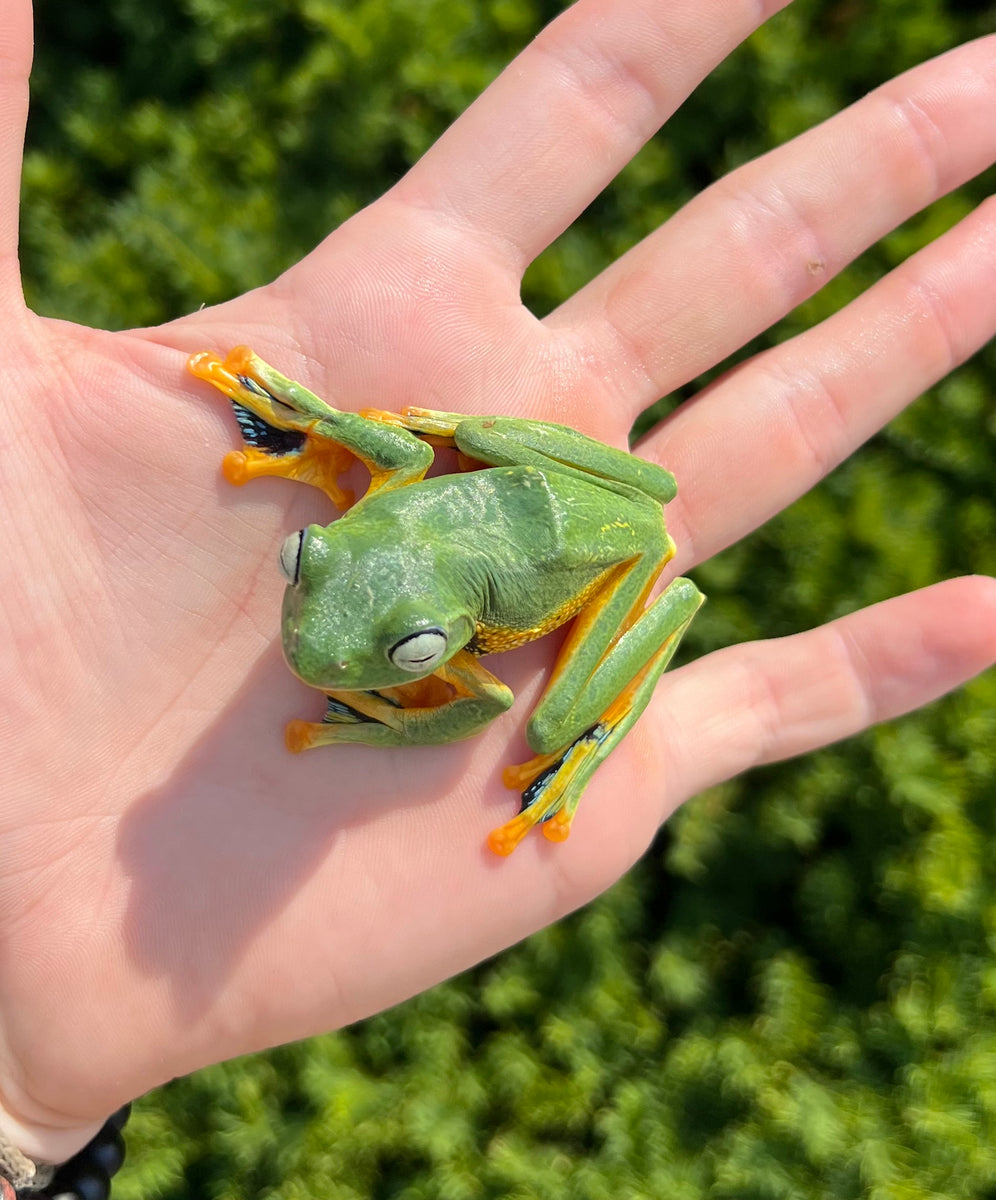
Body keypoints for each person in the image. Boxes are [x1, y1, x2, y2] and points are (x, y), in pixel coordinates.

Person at [1, 0, 994, 1183]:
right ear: (340, 535)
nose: (313, 637)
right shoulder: (388, 508)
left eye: (407, 651)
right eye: (304, 556)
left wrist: (402, 694)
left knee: (552, 717)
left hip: (601, 564)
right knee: (444, 444)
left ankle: (582, 737)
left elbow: (471, 691)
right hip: (517, 496)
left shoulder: (448, 613)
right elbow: (414, 454)